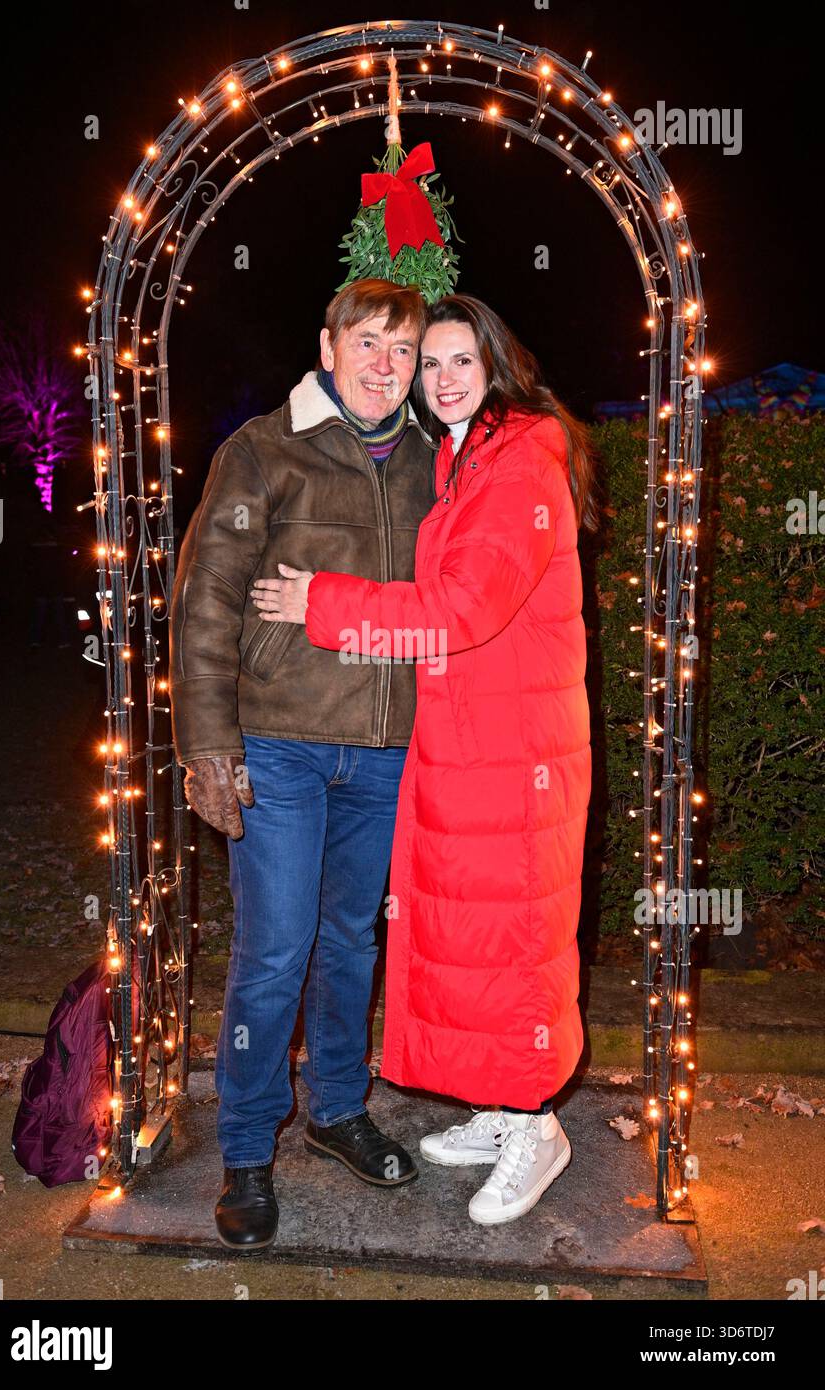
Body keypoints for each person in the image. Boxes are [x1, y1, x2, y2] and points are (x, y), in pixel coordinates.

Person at [251, 294, 599, 1226]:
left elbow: (458, 611)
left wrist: (321, 601)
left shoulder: (520, 464)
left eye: (458, 362)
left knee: (515, 941)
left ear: (496, 368)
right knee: (476, 938)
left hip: (517, 753)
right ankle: (500, 1104)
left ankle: (537, 1125)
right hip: (472, 745)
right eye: (430, 363)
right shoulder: (465, 460)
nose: (440, 379)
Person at [169, 279, 436, 1251]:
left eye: (400, 351)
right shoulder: (262, 449)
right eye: (368, 343)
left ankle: (335, 1107)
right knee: (274, 949)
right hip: (277, 743)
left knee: (351, 944)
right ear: (329, 344)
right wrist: (206, 745)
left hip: (381, 752)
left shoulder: (426, 464)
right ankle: (245, 1148)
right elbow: (205, 605)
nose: (384, 366)